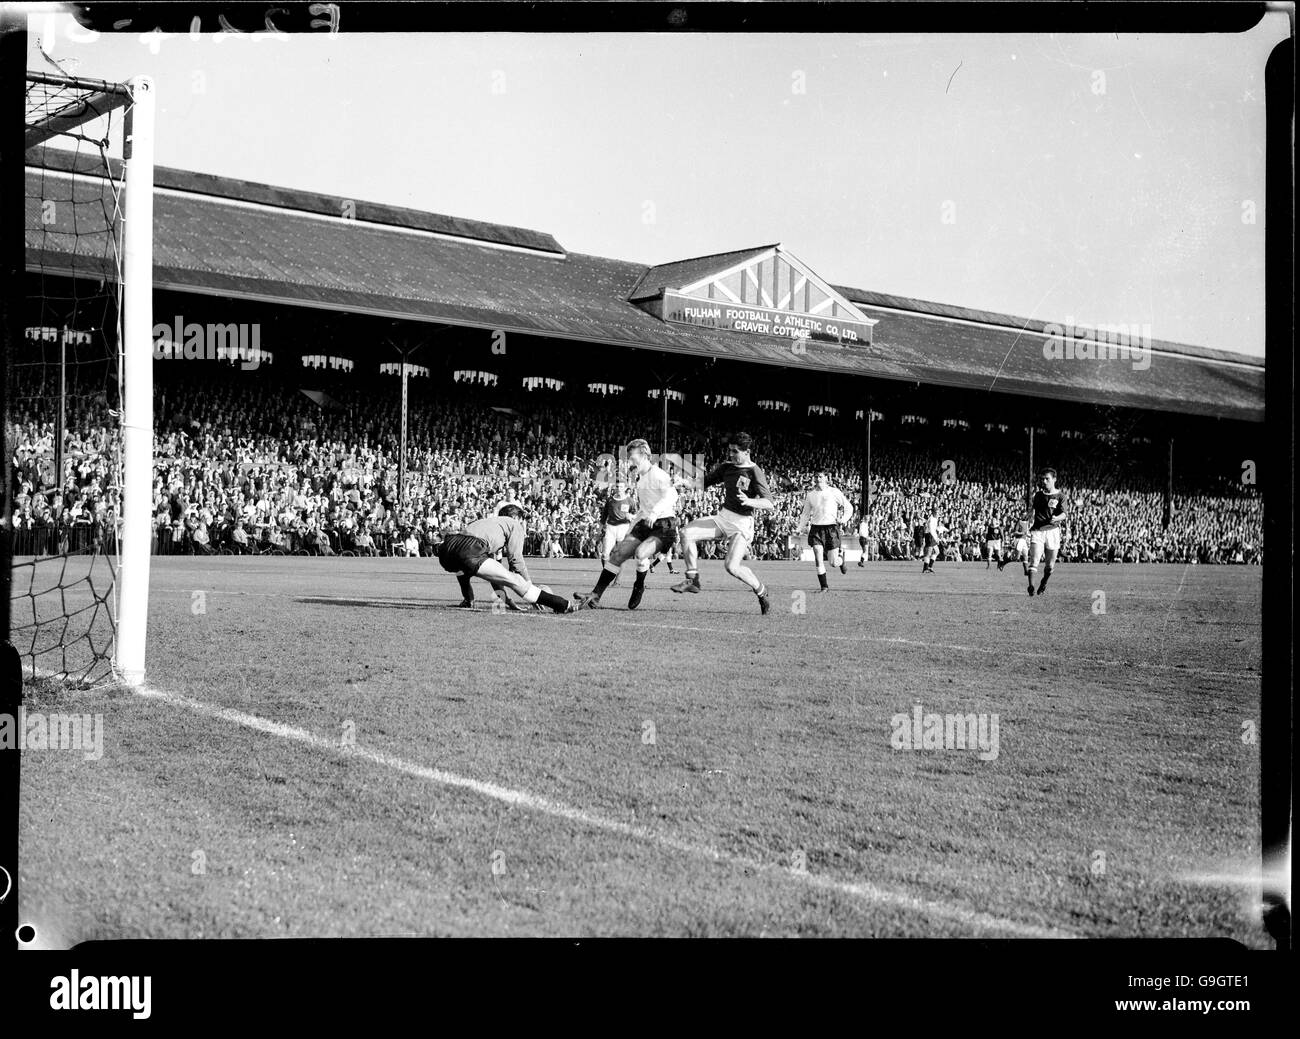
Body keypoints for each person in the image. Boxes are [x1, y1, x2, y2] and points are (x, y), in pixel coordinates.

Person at [671, 432, 773, 614]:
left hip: (742, 524)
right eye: (730, 451)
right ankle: (693, 580)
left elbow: (768, 503)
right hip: (724, 518)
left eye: (735, 452)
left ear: (747, 452)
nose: (731, 455)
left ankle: (761, 591)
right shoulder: (727, 467)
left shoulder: (754, 472)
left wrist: (750, 501)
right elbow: (704, 483)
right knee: (686, 533)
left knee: (731, 567)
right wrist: (685, 483)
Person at [573, 439, 678, 611]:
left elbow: (672, 496)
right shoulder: (641, 479)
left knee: (640, 553)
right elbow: (644, 510)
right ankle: (595, 595)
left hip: (665, 525)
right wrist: (632, 527)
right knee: (617, 554)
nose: (628, 459)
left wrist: (654, 513)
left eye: (631, 456)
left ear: (644, 455)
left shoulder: (658, 474)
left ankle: (639, 584)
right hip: (646, 522)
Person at [436, 503, 574, 614]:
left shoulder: (488, 523)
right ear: (516, 518)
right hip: (470, 549)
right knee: (516, 580)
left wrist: (507, 601)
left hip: (447, 550)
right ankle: (561, 604)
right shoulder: (514, 524)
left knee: (463, 570)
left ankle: (468, 600)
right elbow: (516, 560)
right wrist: (529, 586)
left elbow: (494, 576)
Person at [797, 470, 854, 592]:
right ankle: (824, 587)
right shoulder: (811, 494)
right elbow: (805, 514)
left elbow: (849, 507)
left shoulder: (834, 492)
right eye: (816, 476)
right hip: (816, 528)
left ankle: (841, 560)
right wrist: (799, 528)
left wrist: (843, 519)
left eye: (820, 476)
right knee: (818, 556)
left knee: (833, 562)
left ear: (826, 478)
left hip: (831, 528)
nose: (818, 479)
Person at [1026, 468, 1067, 597]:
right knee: (1034, 561)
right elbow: (1032, 511)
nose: (1044, 481)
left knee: (1050, 565)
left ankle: (1043, 582)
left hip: (1053, 531)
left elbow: (1064, 514)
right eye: (1042, 479)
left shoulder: (1060, 496)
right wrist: (1027, 517)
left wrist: (1057, 518)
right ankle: (1031, 587)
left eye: (1047, 479)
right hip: (1038, 531)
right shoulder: (1038, 495)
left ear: (1054, 479)